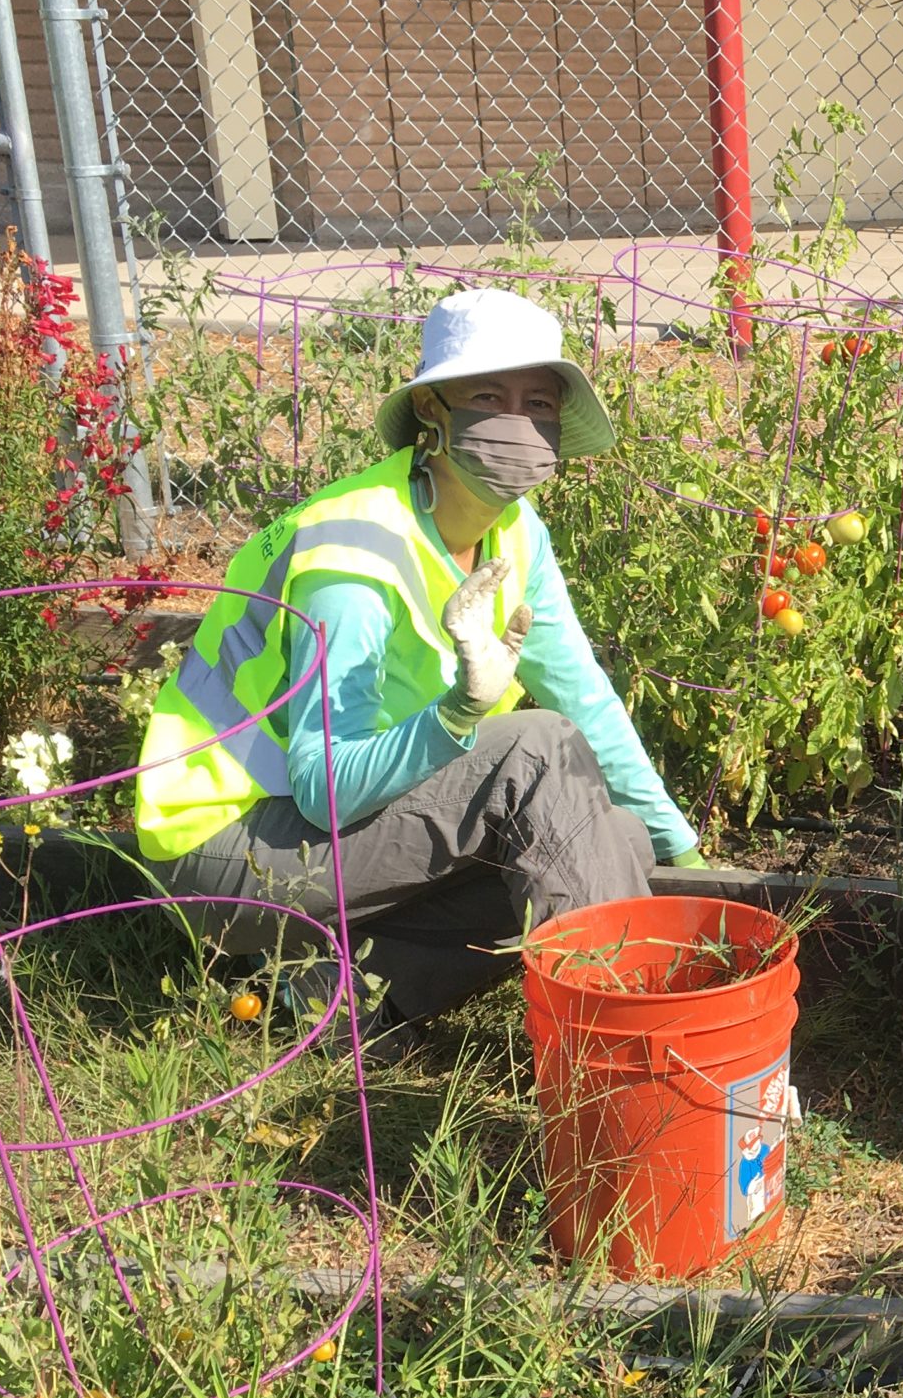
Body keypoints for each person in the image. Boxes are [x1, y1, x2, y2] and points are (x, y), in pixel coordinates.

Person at [132, 288, 703, 1054]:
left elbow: (584, 698)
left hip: (314, 836)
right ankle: (617, 1068)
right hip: (225, 846)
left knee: (615, 838)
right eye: (488, 396)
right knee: (531, 752)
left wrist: (685, 851)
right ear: (433, 408)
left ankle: (324, 1005)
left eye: (538, 401)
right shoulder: (357, 555)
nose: (519, 422)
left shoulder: (514, 530)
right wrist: (457, 716)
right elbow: (325, 787)